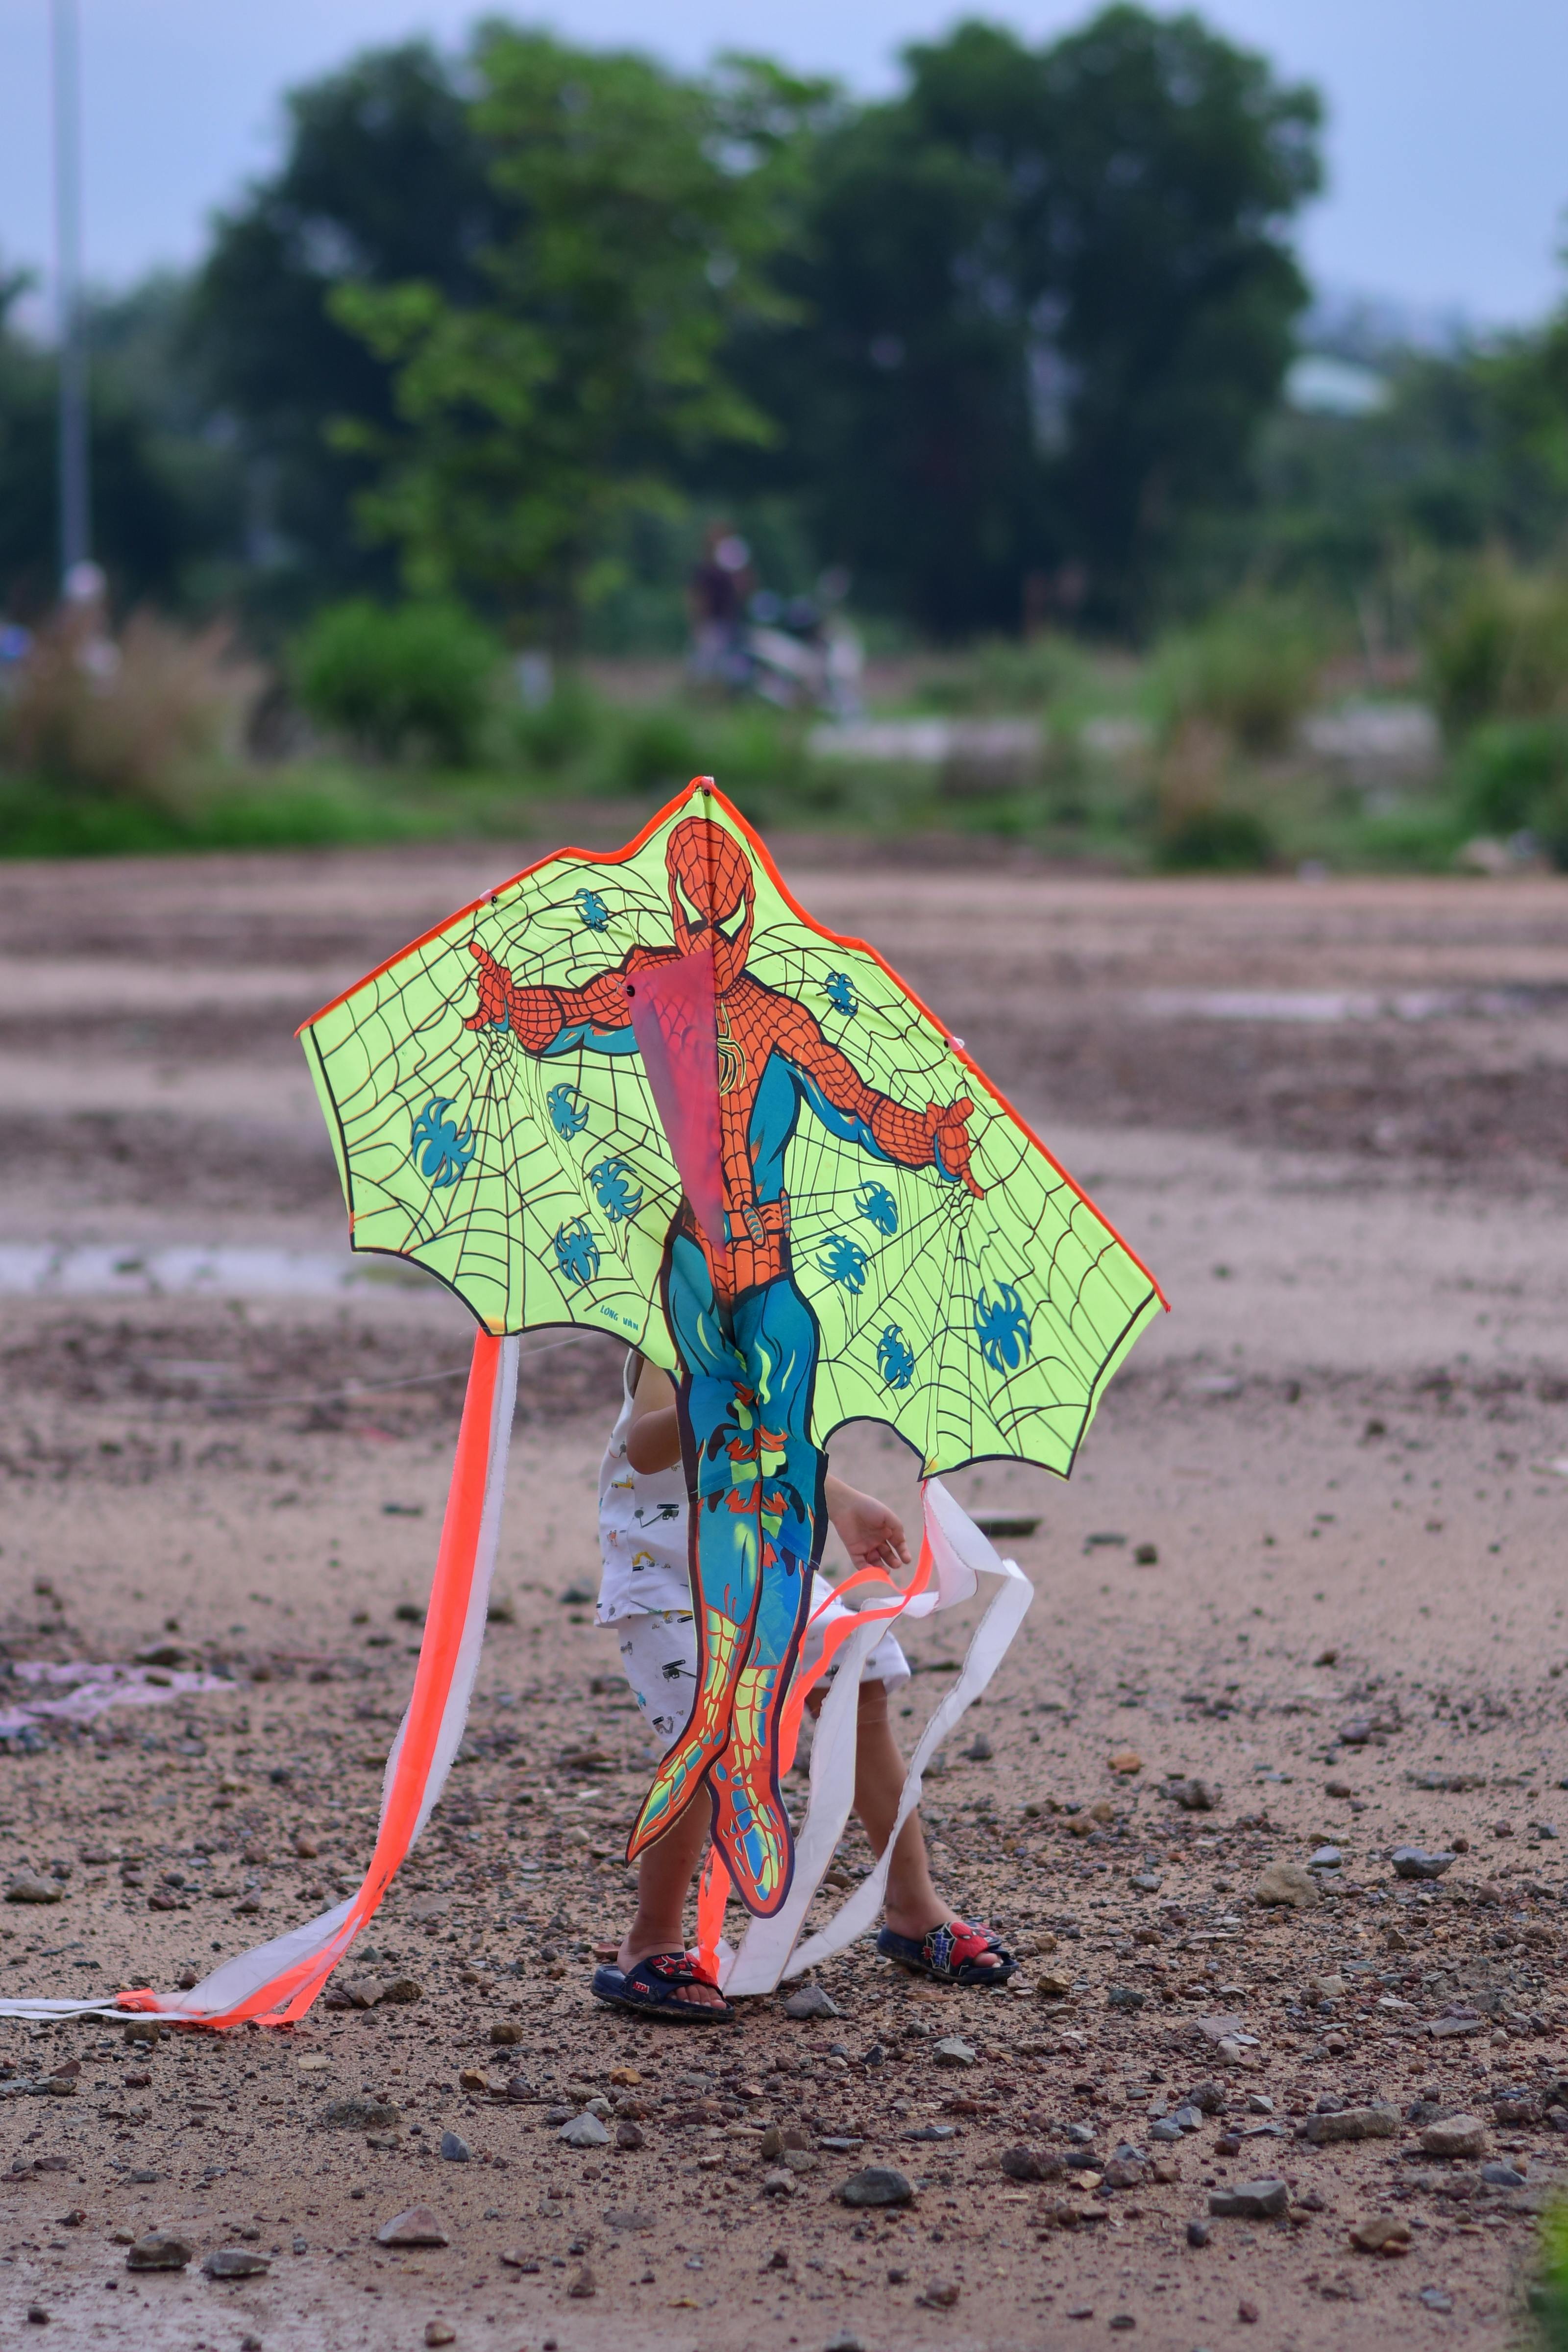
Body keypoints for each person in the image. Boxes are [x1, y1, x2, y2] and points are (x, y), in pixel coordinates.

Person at [587, 1352, 1017, 2021]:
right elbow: (644, 1449)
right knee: (711, 1733)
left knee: (859, 1683)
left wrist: (840, 1502)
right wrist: (715, 1390)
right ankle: (650, 1942)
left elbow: (775, 1440)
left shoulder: (774, 1324)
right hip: (670, 1574)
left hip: (765, 1563)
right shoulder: (672, 1328)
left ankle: (912, 1907)